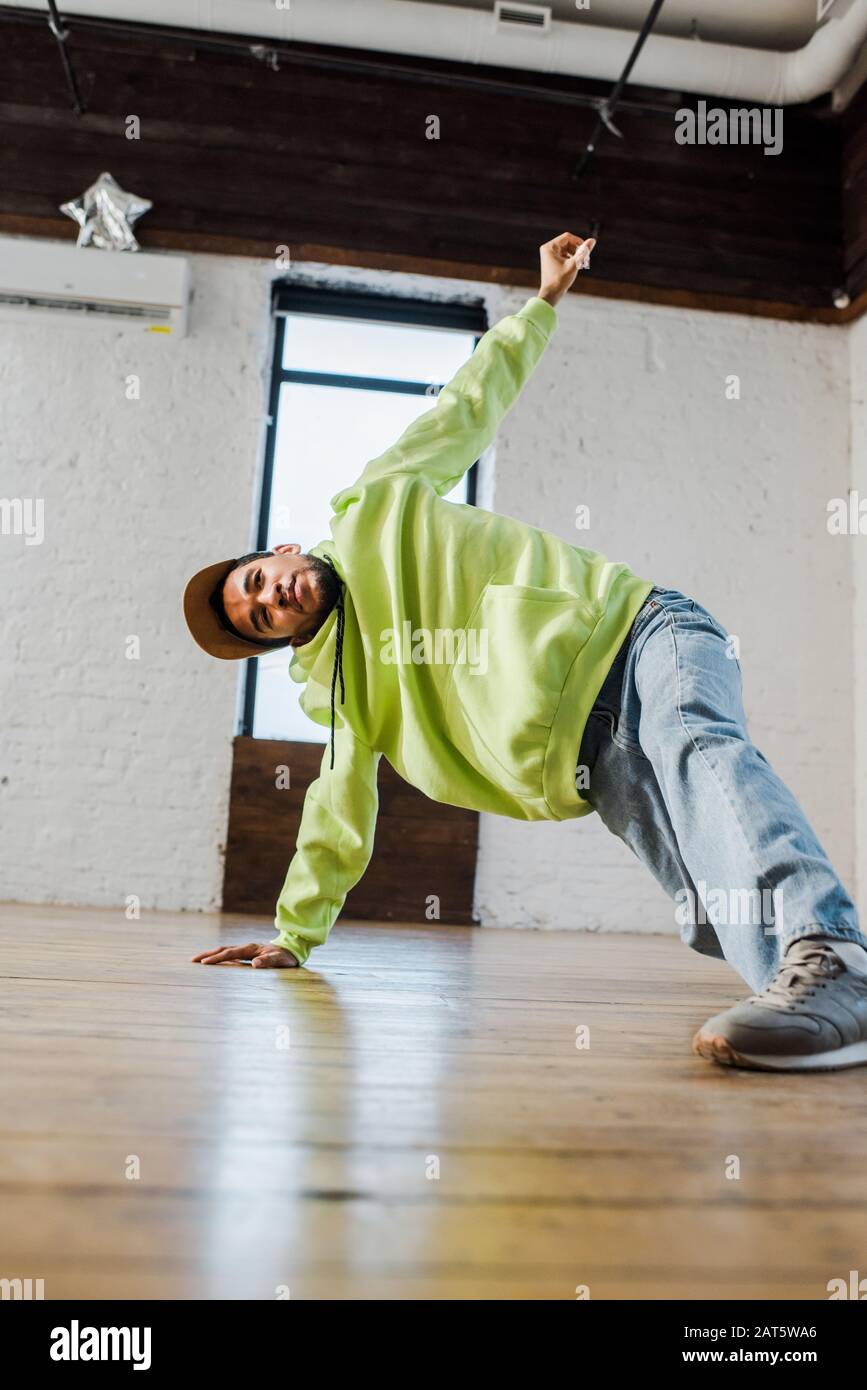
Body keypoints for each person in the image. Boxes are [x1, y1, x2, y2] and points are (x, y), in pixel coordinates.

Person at [183, 233, 867, 1072]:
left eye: (256, 579)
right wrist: (295, 936)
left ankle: (832, 957)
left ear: (280, 550)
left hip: (637, 633)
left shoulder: (376, 506)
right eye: (255, 619)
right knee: (708, 901)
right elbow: (337, 810)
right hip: (590, 758)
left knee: (698, 748)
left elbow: (467, 404)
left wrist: (541, 303)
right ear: (276, 639)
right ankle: (817, 997)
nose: (266, 600)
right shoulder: (346, 699)